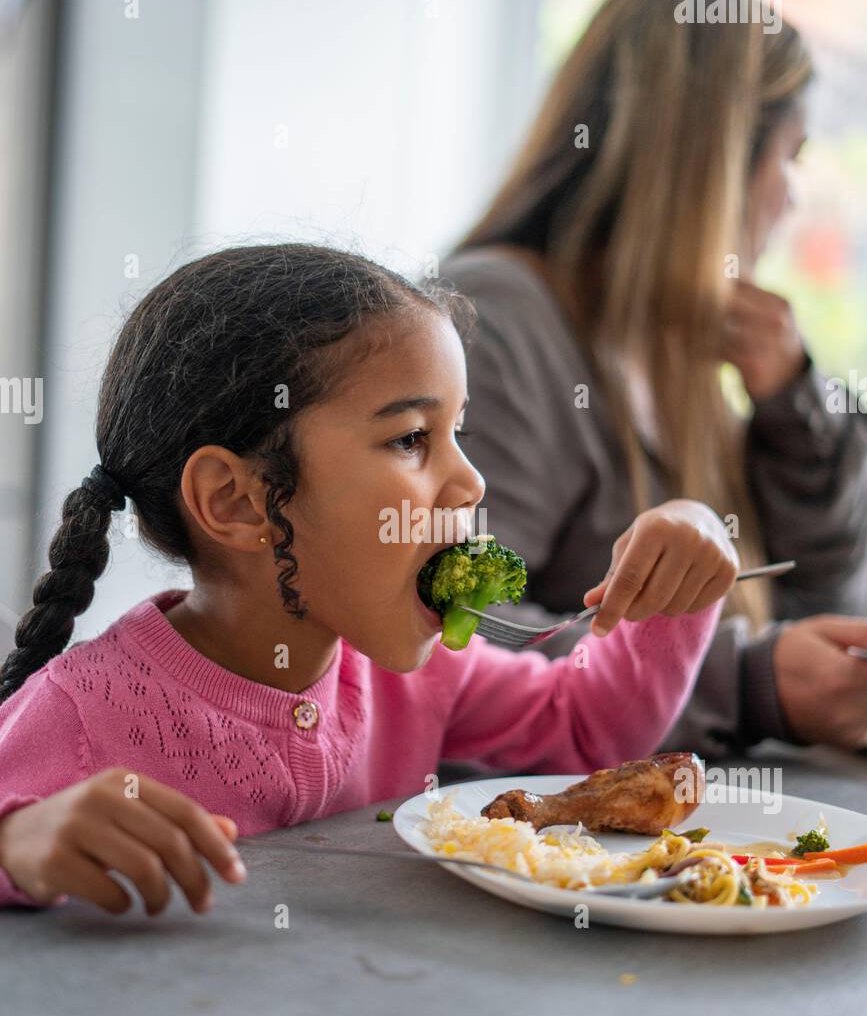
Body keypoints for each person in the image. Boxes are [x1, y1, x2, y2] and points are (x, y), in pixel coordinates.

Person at [0, 243, 736, 914]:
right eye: (411, 438)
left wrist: (681, 576)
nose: (472, 483)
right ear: (237, 500)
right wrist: (16, 843)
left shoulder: (418, 678)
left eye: (460, 434)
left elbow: (588, 729)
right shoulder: (79, 714)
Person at [441, 0, 867, 759]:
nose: (790, 196)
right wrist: (744, 683)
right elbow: (451, 630)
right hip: (508, 847)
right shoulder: (496, 321)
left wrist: (793, 414)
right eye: (788, 157)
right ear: (711, 170)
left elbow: (817, 600)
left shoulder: (682, 346)